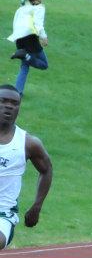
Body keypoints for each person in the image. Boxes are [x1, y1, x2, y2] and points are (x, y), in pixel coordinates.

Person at [0, 84, 53, 249]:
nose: (9, 106)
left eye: (14, 103)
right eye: (3, 101)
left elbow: (47, 170)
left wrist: (37, 206)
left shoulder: (28, 143)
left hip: (3, 214)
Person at [8, 0, 49, 94]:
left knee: (24, 67)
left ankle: (18, 92)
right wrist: (44, 38)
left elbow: (15, 23)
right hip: (31, 41)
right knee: (44, 64)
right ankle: (25, 55)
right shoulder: (39, 8)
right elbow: (38, 25)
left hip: (20, 40)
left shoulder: (22, 8)